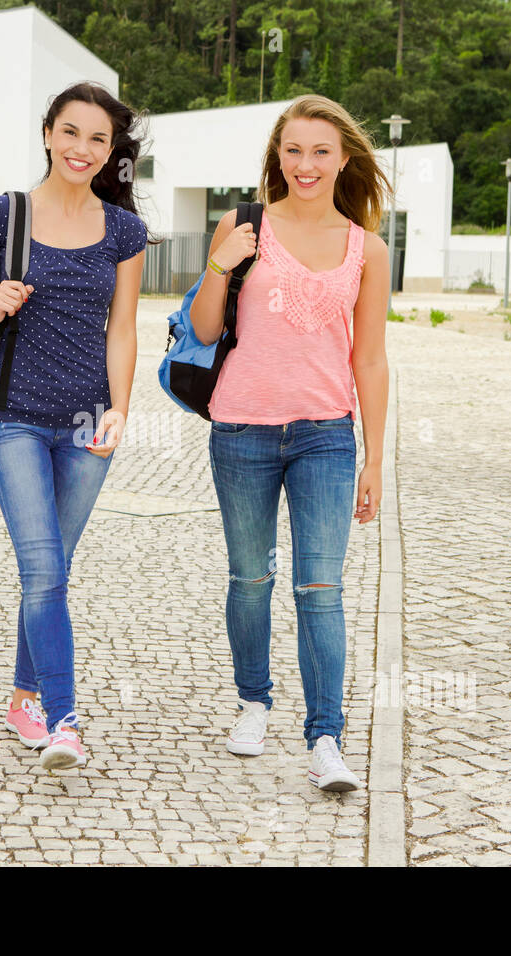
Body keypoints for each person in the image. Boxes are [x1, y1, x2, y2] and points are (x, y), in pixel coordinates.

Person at [0, 82, 150, 771]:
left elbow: (122, 328)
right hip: (14, 418)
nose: (82, 149)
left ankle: (25, 695)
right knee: (44, 569)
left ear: (111, 152)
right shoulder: (6, 214)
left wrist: (119, 407)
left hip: (88, 423)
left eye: (98, 139)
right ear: (49, 134)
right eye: (71, 132)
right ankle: (64, 721)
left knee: (50, 571)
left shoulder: (123, 231)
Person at [191, 94, 391, 791]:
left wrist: (374, 458)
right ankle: (253, 703)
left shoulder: (368, 250)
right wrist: (221, 264)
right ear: (278, 156)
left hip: (326, 438)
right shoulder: (244, 224)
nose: (306, 165)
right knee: (250, 579)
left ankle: (326, 740)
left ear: (343, 160)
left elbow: (369, 358)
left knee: (321, 587)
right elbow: (207, 330)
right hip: (241, 428)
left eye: (321, 152)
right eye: (293, 150)